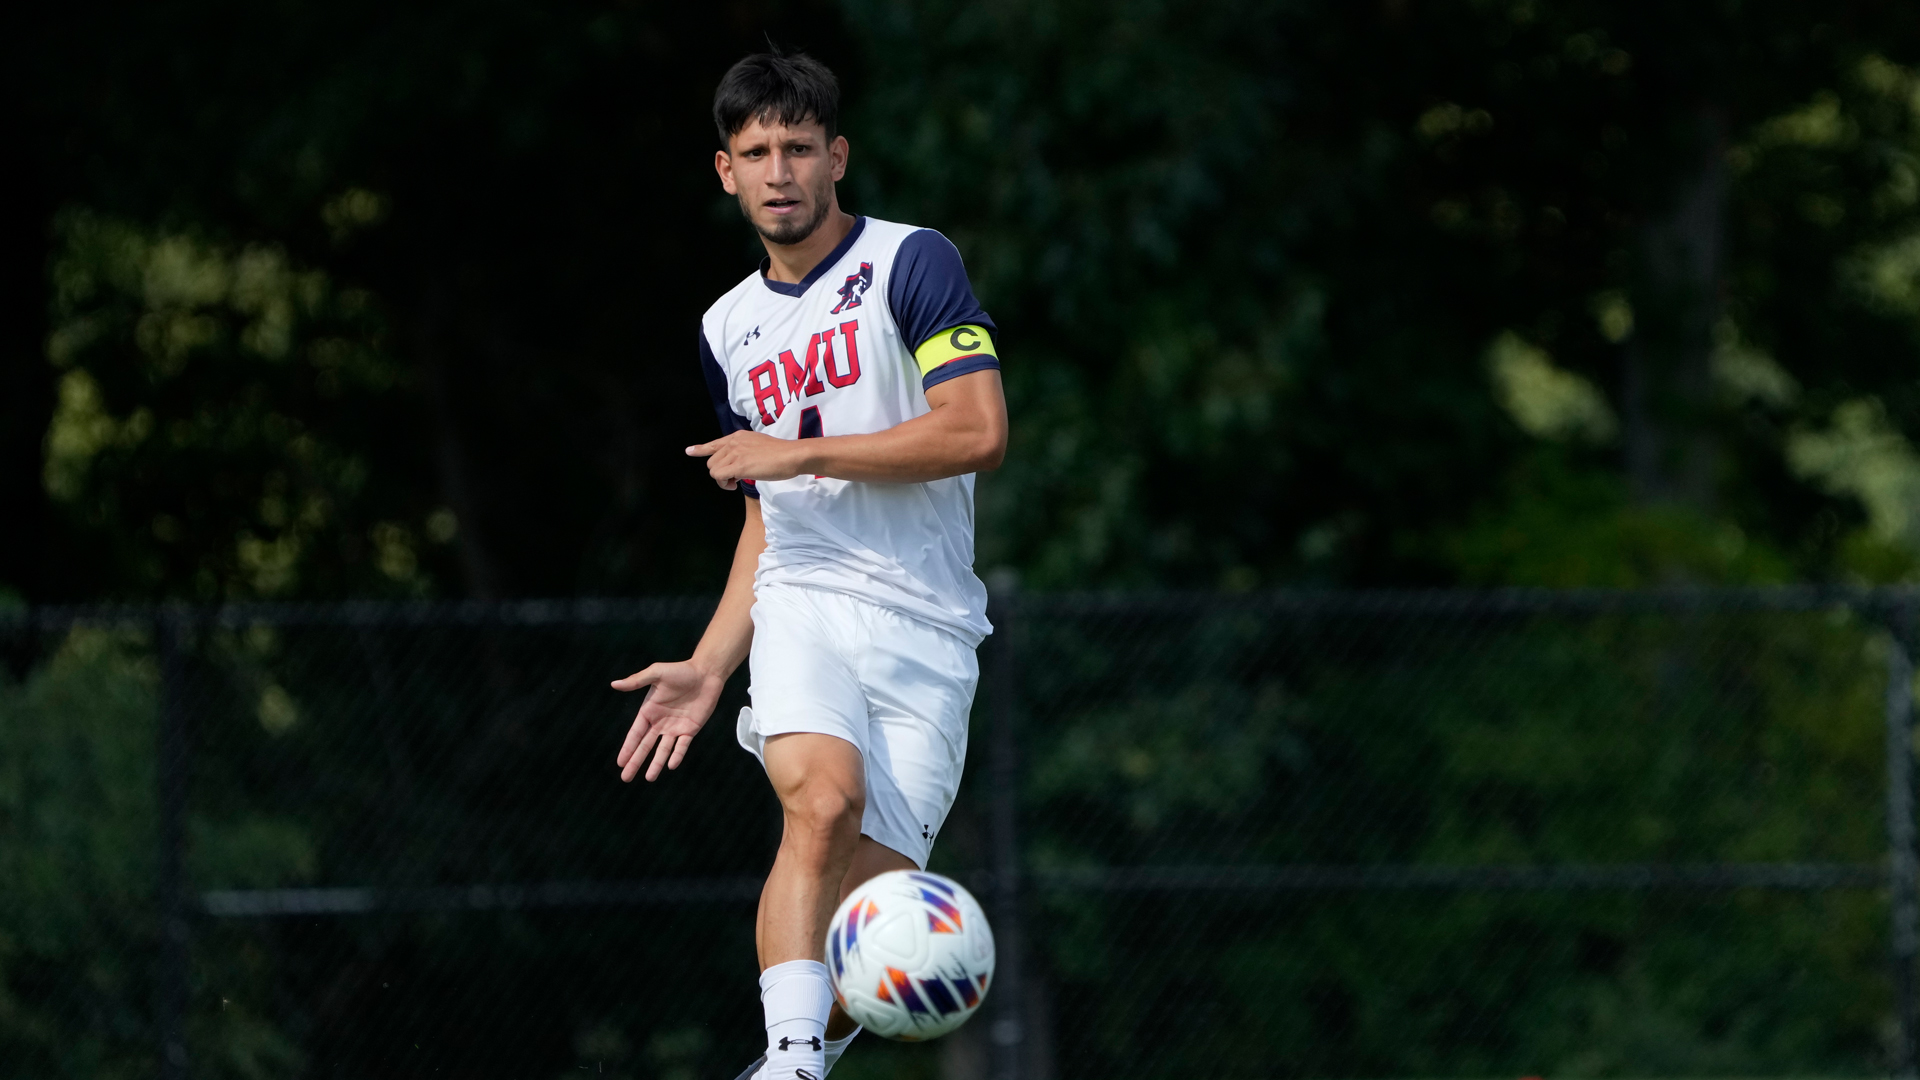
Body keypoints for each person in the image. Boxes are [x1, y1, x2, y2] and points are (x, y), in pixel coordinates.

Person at [609, 50, 1006, 1080]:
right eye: (755, 153)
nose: (778, 171)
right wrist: (708, 663)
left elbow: (974, 432)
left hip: (929, 627)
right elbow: (766, 522)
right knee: (819, 804)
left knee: (869, 924)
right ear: (725, 172)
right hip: (806, 602)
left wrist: (798, 451)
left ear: (837, 156)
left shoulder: (914, 262)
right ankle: (789, 1058)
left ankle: (791, 1064)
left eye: (797, 148)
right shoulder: (726, 328)